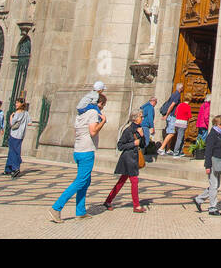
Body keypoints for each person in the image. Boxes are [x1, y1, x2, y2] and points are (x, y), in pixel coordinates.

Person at [50, 92, 106, 222]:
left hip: (78, 150)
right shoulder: (93, 113)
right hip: (87, 151)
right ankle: (56, 208)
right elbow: (93, 131)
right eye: (102, 105)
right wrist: (103, 121)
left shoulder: (81, 114)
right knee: (81, 181)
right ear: (99, 103)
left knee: (85, 181)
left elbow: (77, 131)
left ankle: (80, 211)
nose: (102, 108)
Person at [103, 110, 148, 213]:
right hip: (128, 159)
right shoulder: (128, 130)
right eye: (141, 117)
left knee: (122, 181)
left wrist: (142, 136)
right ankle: (136, 206)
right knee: (134, 181)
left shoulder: (139, 130)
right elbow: (120, 146)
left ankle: (108, 201)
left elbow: (143, 145)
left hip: (134, 158)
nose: (142, 118)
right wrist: (133, 143)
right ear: (135, 118)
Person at [194, 114, 221, 216]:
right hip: (213, 163)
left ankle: (199, 199)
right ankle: (212, 207)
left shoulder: (220, 135)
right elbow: (208, 151)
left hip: (219, 162)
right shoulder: (212, 135)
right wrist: (207, 166)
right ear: (218, 124)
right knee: (213, 185)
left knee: (215, 185)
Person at [4, 99, 30, 177]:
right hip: (21, 135)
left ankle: (15, 168)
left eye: (17, 103)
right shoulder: (26, 113)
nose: (16, 104)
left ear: (21, 104)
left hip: (15, 134)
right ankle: (8, 169)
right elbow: (30, 123)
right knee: (14, 150)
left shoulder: (18, 113)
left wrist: (11, 117)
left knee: (13, 151)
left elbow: (12, 123)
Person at [159, 83, 182, 154]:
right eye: (182, 88)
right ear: (181, 88)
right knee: (171, 133)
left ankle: (168, 149)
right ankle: (161, 148)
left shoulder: (173, 94)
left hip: (170, 116)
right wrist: (167, 114)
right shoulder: (177, 95)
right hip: (172, 116)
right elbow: (172, 105)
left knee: (169, 132)